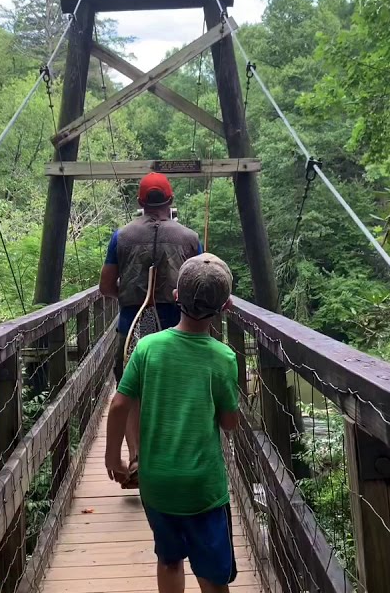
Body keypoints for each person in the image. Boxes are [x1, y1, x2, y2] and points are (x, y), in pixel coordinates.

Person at [105, 253, 240, 593]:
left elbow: (120, 404)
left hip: (157, 484)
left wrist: (113, 457)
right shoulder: (224, 358)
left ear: (176, 297)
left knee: (168, 559)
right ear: (225, 307)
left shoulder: (148, 347)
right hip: (203, 489)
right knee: (212, 575)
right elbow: (229, 423)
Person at [99, 171, 202, 482]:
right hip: (178, 327)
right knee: (180, 391)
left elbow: (105, 286)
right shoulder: (189, 238)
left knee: (131, 392)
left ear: (140, 203)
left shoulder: (122, 236)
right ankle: (179, 458)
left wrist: (128, 296)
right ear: (170, 201)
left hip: (132, 325)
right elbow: (200, 283)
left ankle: (137, 460)